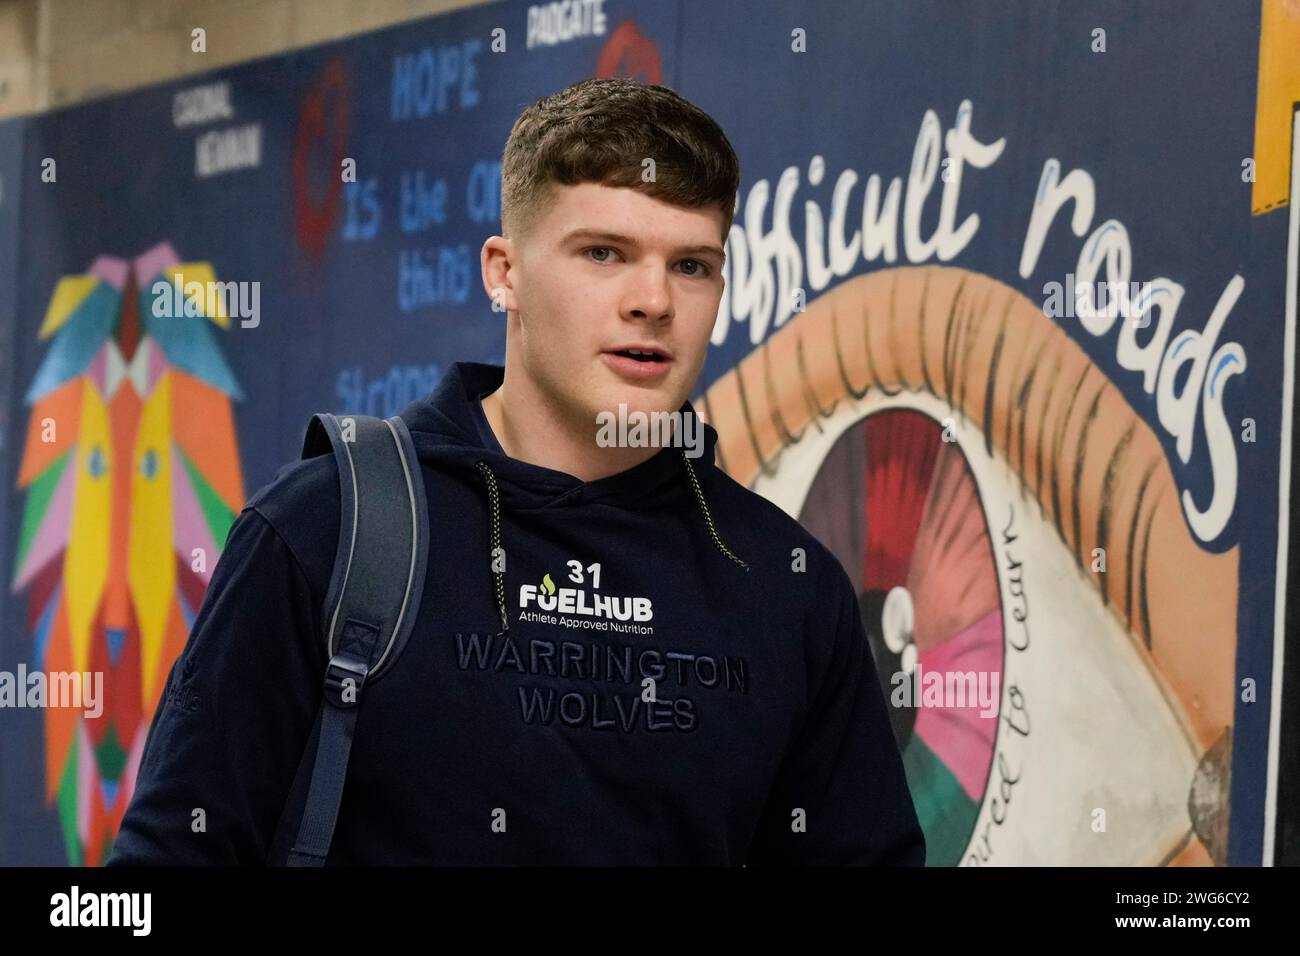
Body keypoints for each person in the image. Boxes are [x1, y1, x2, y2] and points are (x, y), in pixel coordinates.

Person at [108, 76, 925, 866]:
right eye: (604, 252)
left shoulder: (785, 587)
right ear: (505, 273)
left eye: (691, 266)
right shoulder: (328, 533)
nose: (653, 300)